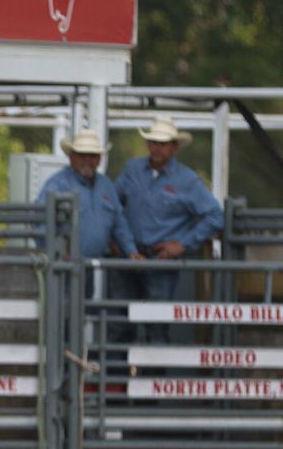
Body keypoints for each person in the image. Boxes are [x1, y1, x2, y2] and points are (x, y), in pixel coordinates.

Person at [114, 115, 223, 340]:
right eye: (153, 142)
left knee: (156, 326)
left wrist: (181, 246)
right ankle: (117, 375)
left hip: (160, 259)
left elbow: (215, 216)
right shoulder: (132, 169)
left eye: (162, 144)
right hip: (128, 256)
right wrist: (117, 242)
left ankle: (152, 375)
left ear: (174, 147)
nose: (156, 148)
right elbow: (113, 206)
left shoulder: (188, 180)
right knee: (120, 322)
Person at [37, 129, 143, 298]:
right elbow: (39, 219)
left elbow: (118, 221)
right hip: (63, 267)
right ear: (72, 156)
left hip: (90, 266)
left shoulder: (105, 185)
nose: (88, 159)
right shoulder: (58, 183)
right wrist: (52, 251)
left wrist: (131, 251)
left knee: (83, 310)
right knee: (63, 312)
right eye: (82, 155)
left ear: (99, 159)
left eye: (93, 155)